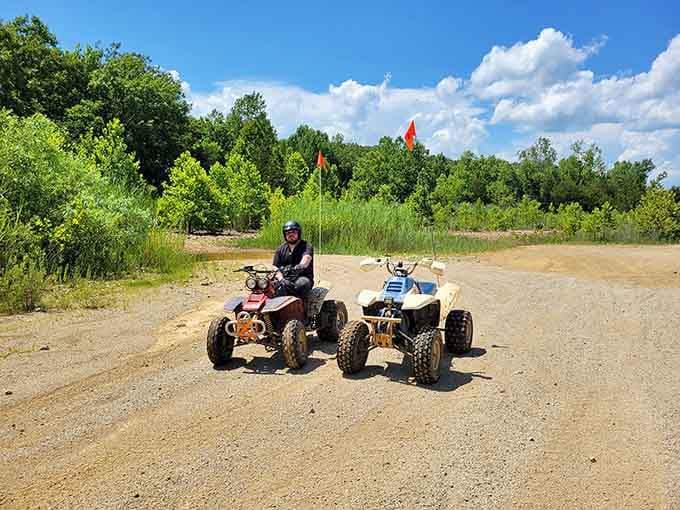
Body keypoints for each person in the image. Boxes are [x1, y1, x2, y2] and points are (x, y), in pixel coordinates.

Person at [272, 220, 314, 299]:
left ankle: (301, 308)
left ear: (298, 233)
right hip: (285, 278)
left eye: (293, 232)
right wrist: (281, 279)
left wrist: (300, 267)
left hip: (302, 277)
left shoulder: (306, 246)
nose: (291, 235)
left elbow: (307, 258)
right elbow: (275, 266)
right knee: (267, 286)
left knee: (302, 284)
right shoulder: (280, 249)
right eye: (288, 233)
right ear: (285, 235)